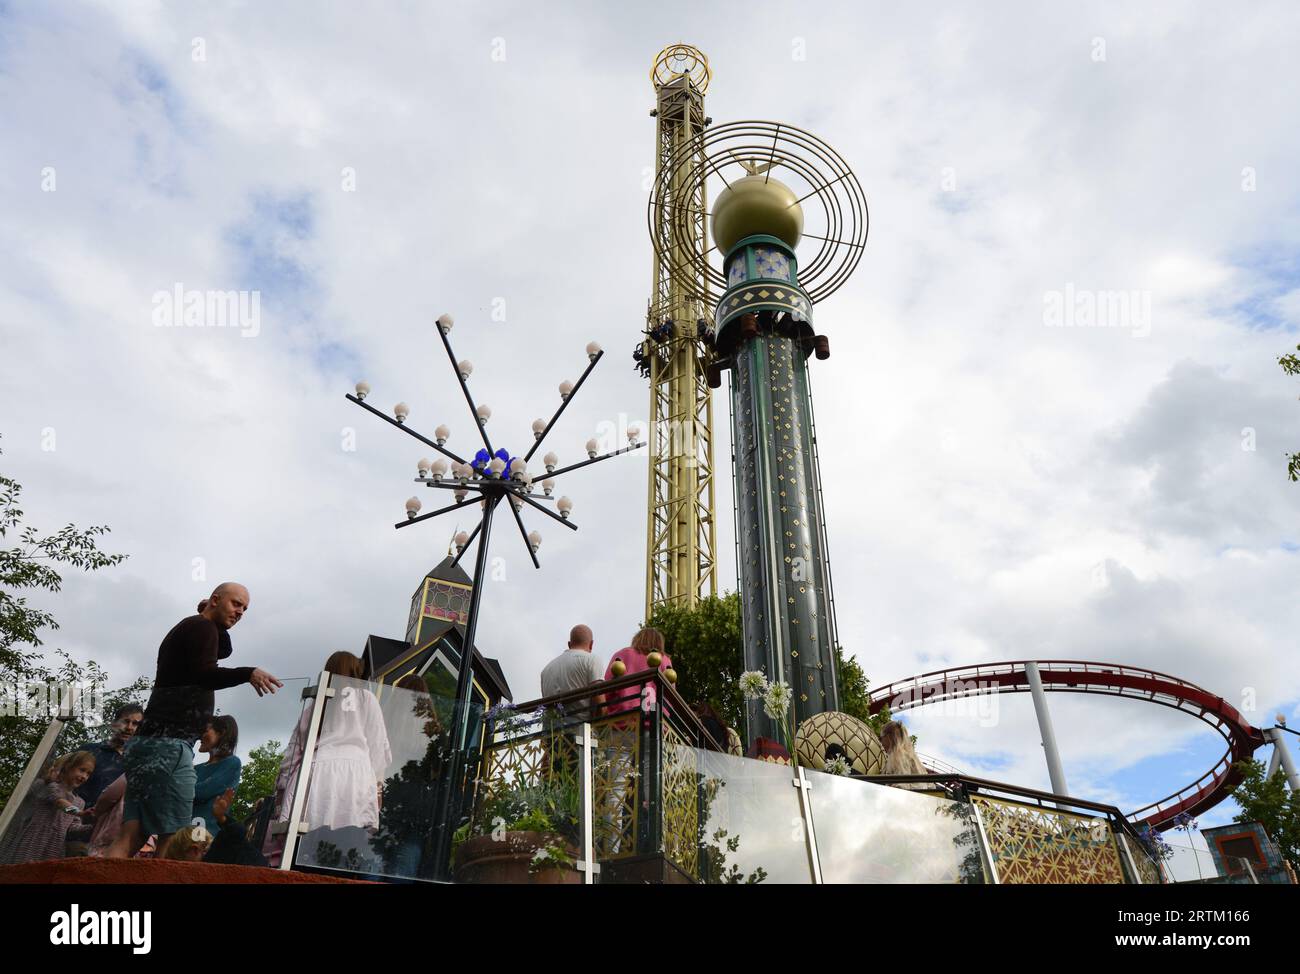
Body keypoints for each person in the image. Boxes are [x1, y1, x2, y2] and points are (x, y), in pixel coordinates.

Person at [105, 582, 282, 859]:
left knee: (131, 834)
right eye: (236, 604)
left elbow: (223, 651)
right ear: (215, 600)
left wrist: (213, 619)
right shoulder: (202, 627)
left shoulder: (197, 627)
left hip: (145, 745)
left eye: (245, 609)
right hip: (170, 745)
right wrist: (248, 673)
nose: (240, 612)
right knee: (174, 838)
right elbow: (205, 674)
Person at [264, 651, 392, 868]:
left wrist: (282, 791)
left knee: (305, 850)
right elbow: (378, 746)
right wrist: (378, 785)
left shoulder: (315, 706)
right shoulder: (366, 698)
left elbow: (292, 755)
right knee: (348, 850)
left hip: (314, 775)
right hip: (354, 776)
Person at [0, 751, 94, 864]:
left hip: (53, 848)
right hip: (31, 842)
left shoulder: (79, 802)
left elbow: (72, 828)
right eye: (82, 770)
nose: (84, 777)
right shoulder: (49, 786)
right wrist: (80, 813)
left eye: (88, 774)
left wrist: (94, 827)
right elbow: (59, 802)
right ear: (68, 767)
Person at [539, 624, 606, 717]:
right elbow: (601, 705)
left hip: (550, 725)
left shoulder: (546, 670)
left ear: (569, 644)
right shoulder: (592, 660)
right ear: (591, 644)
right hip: (580, 724)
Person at [193, 715, 241, 835]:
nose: (200, 736)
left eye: (206, 730)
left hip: (204, 835)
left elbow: (203, 791)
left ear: (222, 733)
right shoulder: (196, 768)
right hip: (182, 833)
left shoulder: (232, 763)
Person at [880, 720, 930, 790]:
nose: (881, 742)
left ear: (888, 737)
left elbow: (901, 786)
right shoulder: (910, 756)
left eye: (881, 738)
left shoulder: (898, 757)